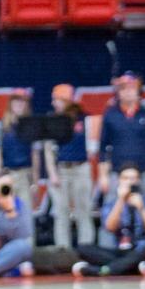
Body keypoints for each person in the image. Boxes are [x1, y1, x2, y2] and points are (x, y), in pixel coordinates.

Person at [73, 167, 145, 277]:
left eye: (133, 178)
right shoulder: (111, 203)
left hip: (141, 249)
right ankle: (133, 267)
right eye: (126, 178)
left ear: (139, 180)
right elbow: (110, 227)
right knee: (83, 248)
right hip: (120, 251)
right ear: (119, 180)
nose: (130, 181)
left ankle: (104, 270)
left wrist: (141, 208)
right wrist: (120, 200)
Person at [43, 84, 94, 250]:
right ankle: (62, 250)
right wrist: (52, 174)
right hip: (61, 169)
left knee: (83, 211)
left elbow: (92, 146)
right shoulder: (52, 120)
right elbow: (48, 150)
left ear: (66, 100)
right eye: (53, 100)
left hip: (81, 168)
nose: (54, 103)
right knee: (61, 212)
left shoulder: (83, 117)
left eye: (57, 99)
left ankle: (87, 249)